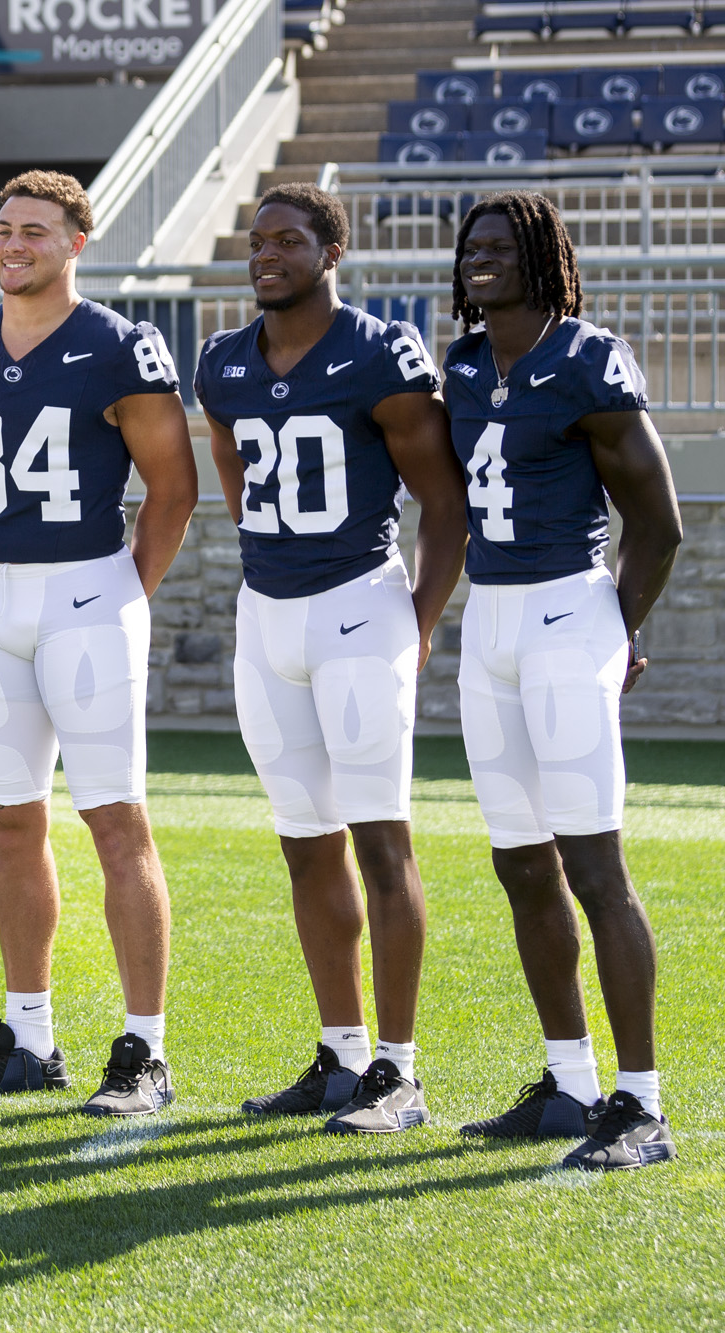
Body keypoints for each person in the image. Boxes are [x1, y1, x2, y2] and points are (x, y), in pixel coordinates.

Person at [0, 171, 197, 1115]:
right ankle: (29, 1035)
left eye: (35, 231)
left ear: (77, 242)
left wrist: (122, 589)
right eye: (3, 229)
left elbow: (173, 489)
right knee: (9, 818)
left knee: (115, 819)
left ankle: (145, 1047)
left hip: (86, 588)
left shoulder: (122, 344)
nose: (14, 245)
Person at [197, 183, 467, 1134]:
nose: (266, 254)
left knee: (380, 841)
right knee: (304, 843)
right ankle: (342, 1053)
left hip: (359, 605)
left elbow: (444, 503)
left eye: (287, 240)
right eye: (256, 241)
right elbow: (235, 475)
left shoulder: (380, 348)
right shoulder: (222, 362)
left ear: (331, 249)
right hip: (267, 615)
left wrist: (421, 619)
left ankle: (400, 1070)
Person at [443, 192, 681, 1170]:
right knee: (518, 863)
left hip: (565, 610)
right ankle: (567, 1080)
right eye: (470, 249)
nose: (479, 262)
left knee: (594, 869)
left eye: (498, 247)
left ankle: (639, 1104)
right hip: (486, 621)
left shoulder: (585, 356)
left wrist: (611, 630)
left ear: (541, 255)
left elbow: (657, 522)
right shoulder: (456, 362)